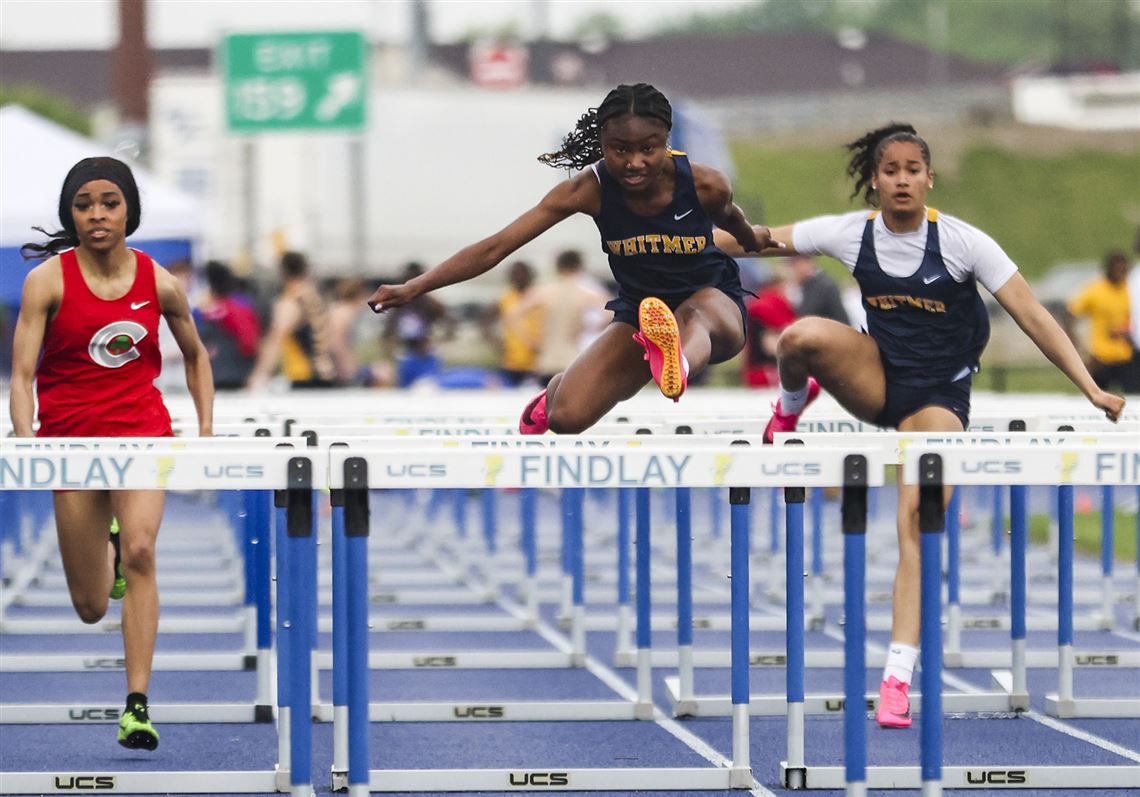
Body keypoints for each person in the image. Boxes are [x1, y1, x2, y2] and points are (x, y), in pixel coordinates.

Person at [718, 122, 1125, 729]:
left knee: (917, 517)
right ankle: (787, 409)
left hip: (937, 399)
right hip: (876, 379)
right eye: (891, 171)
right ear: (875, 182)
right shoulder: (849, 234)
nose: (902, 180)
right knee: (799, 337)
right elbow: (755, 240)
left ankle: (896, 679)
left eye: (913, 170)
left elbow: (1035, 315)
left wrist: (1090, 387)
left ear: (928, 179)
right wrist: (673, 239)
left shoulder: (964, 243)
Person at [366, 83, 773, 432]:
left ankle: (677, 364)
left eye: (648, 149)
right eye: (620, 150)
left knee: (694, 317)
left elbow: (734, 222)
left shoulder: (704, 183)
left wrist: (753, 237)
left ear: (667, 140)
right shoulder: (587, 189)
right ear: (602, 146)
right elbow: (497, 246)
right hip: (641, 313)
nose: (634, 163)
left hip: (711, 299)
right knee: (567, 419)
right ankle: (563, 387)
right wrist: (416, 286)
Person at [10, 156, 214, 750]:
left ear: (129, 211)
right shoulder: (46, 281)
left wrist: (204, 436)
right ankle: (112, 554)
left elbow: (198, 356)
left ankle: (137, 706)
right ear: (69, 214)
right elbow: (21, 376)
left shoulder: (159, 281)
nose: (96, 214)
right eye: (83, 205)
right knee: (90, 605)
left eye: (109, 202)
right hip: (70, 445)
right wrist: (27, 446)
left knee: (145, 549)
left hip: (144, 436)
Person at [505, 249, 611, 386]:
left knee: (548, 403)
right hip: (572, 359)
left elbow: (512, 314)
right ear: (579, 267)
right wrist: (590, 329)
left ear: (557, 267)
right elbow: (611, 313)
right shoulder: (585, 293)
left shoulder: (544, 291)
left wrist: (530, 340)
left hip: (546, 360)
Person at [246, 251, 337, 390]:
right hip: (326, 373)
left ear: (282, 272)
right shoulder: (317, 298)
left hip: (303, 376)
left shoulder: (289, 302)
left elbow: (276, 340)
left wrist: (259, 376)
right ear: (306, 270)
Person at [1066, 250, 1135, 393]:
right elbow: (1070, 314)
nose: (1122, 273)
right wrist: (1079, 348)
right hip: (1101, 358)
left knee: (1133, 400)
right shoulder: (1095, 290)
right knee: (1099, 401)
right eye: (1119, 269)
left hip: (1125, 356)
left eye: (1124, 270)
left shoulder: (1129, 289)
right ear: (1109, 269)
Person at [381, 261, 457, 388]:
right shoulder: (400, 304)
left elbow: (451, 322)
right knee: (407, 392)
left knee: (428, 390)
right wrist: (388, 353)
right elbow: (388, 330)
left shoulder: (429, 303)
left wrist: (438, 340)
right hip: (406, 355)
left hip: (425, 356)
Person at [195, 260, 261, 390]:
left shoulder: (203, 311)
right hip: (240, 372)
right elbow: (251, 343)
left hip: (215, 374)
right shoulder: (242, 306)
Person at [482, 260, 540, 387]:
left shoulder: (540, 296)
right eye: (514, 274)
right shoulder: (505, 299)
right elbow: (485, 322)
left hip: (538, 362)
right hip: (512, 361)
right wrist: (496, 343)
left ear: (530, 275)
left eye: (521, 274)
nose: (518, 278)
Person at [742, 269, 796, 388]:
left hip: (754, 369)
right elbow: (771, 345)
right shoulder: (774, 306)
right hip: (768, 373)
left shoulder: (756, 303)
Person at [786, 253, 850, 326]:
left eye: (793, 265)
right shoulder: (808, 285)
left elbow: (806, 314)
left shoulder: (824, 286)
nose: (792, 271)